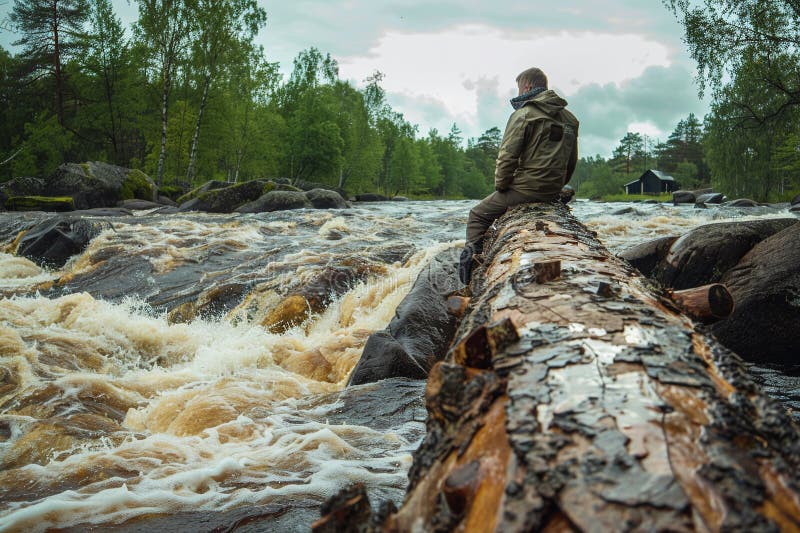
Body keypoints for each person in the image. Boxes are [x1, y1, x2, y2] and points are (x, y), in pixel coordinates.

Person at [459, 67, 579, 284]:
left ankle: (470, 268)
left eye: (518, 87)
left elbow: (507, 156)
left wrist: (502, 186)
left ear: (527, 86)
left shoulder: (524, 114)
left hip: (526, 189)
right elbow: (571, 161)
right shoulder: (570, 119)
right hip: (552, 189)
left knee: (477, 214)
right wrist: (556, 186)